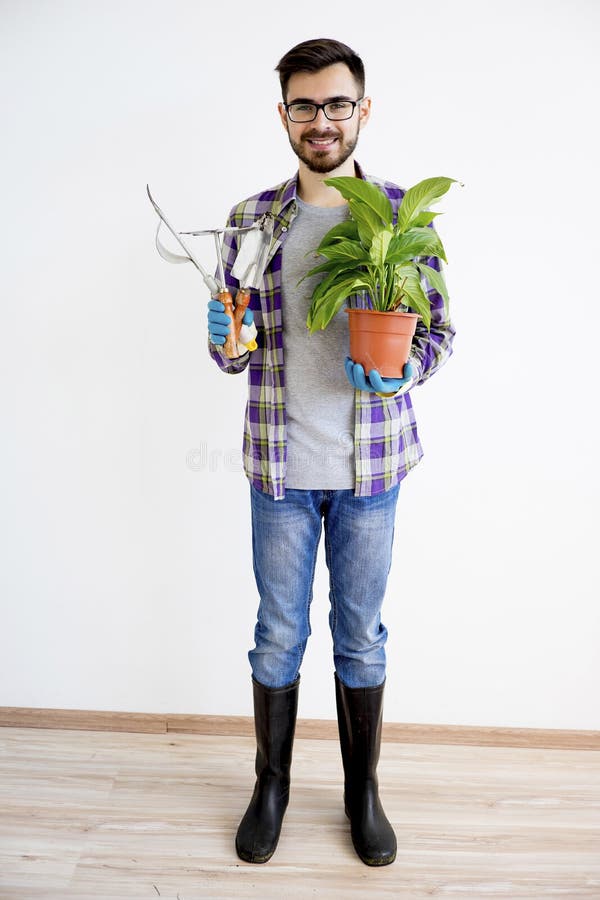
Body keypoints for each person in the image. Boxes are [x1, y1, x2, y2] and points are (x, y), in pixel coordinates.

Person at [207, 38, 455, 867]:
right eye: (305, 106)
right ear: (284, 115)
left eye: (337, 104)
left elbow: (440, 334)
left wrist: (405, 371)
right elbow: (234, 352)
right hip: (279, 470)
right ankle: (270, 784)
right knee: (277, 635)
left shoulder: (400, 215)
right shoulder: (251, 219)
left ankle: (362, 792)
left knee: (361, 637)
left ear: (363, 110)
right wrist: (223, 339)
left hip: (370, 474)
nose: (322, 121)